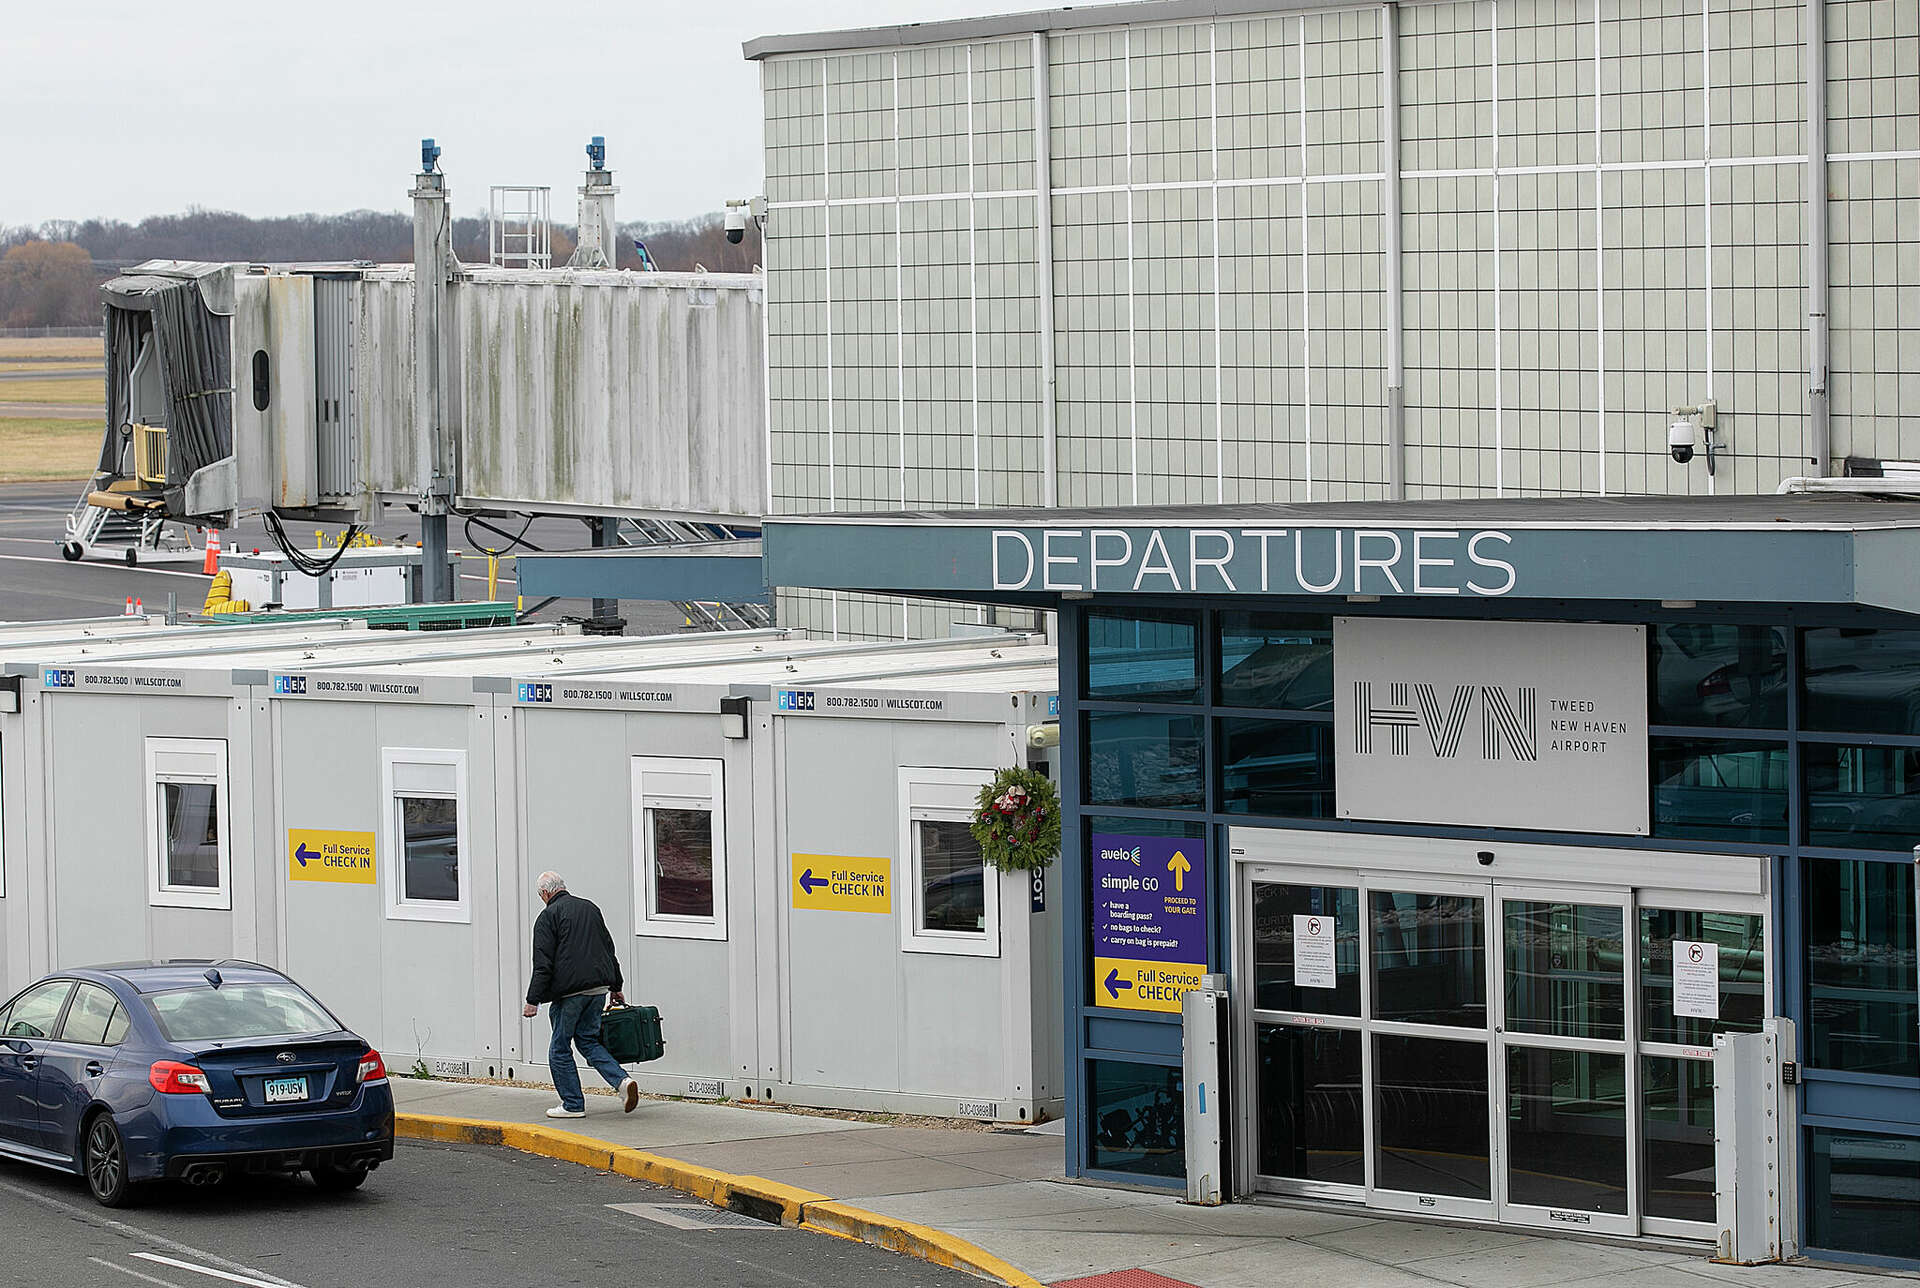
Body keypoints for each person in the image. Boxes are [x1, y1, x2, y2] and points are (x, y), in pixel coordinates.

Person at [523, 871, 640, 1117]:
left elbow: (543, 963)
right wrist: (616, 986)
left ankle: (573, 1104)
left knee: (559, 1048)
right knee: (588, 1041)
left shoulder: (548, 916)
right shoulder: (590, 908)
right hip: (598, 989)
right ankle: (622, 1081)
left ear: (545, 893)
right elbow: (608, 949)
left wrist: (533, 999)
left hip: (570, 993)